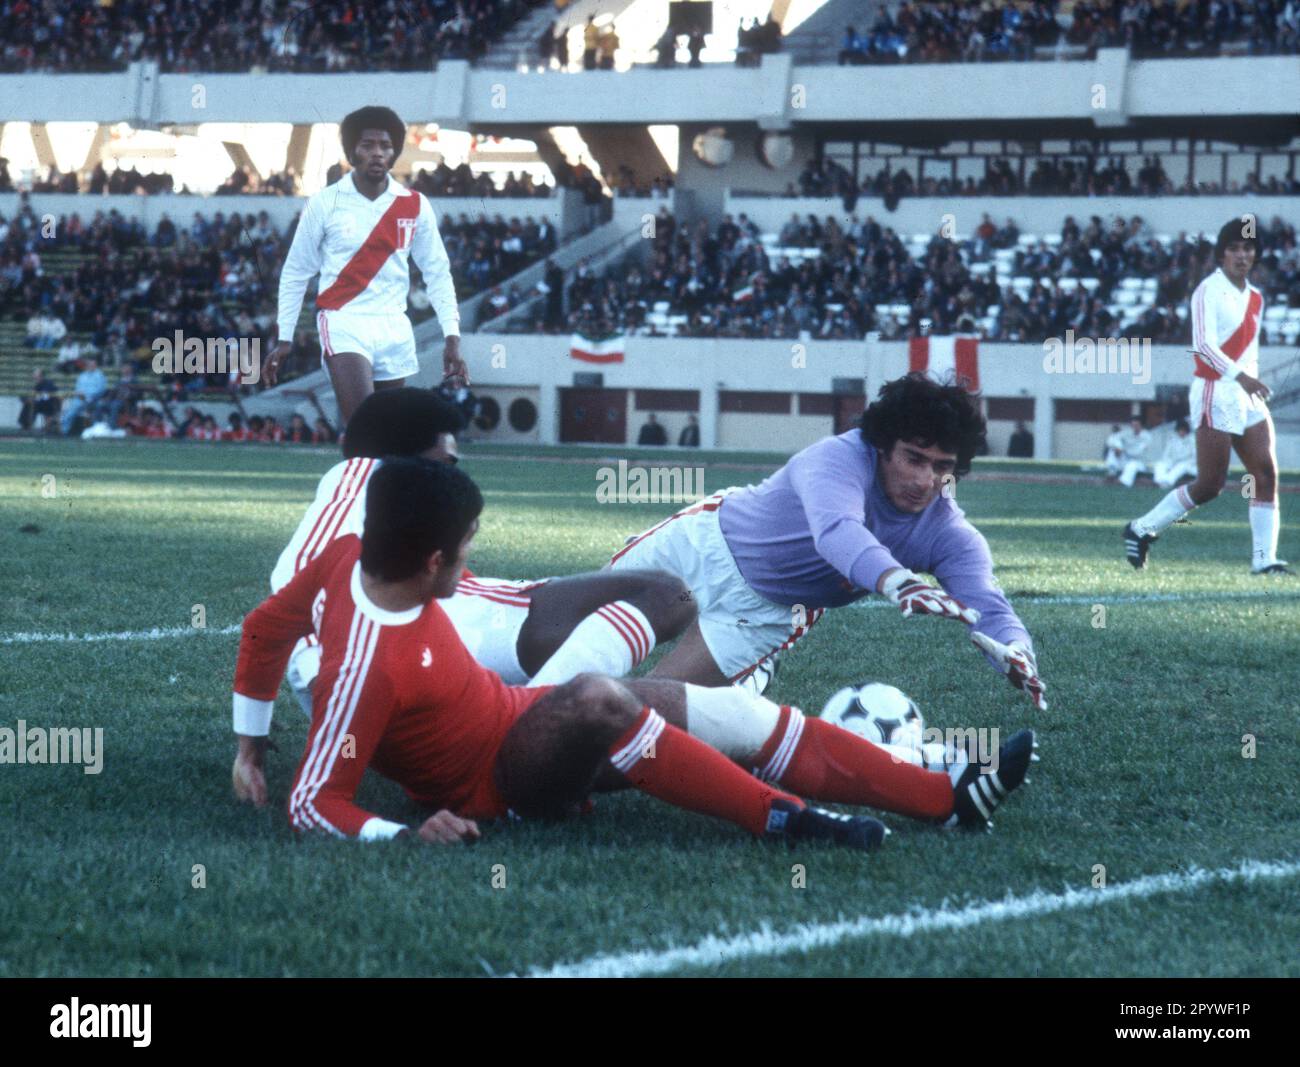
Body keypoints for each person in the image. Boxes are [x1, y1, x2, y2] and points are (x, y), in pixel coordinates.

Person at [231, 457, 1036, 841]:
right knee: (598, 697)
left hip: (515, 716)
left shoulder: (347, 557)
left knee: (732, 712)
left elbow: (264, 629)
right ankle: (792, 821)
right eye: (466, 545)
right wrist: (405, 835)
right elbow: (314, 803)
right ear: (433, 559)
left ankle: (946, 798)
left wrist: (249, 749)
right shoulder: (363, 668)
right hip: (494, 780)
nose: (472, 557)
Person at [608, 373, 1047, 709]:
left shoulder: (948, 533)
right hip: (702, 547)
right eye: (914, 458)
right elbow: (836, 531)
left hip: (763, 616)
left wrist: (1015, 650)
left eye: (941, 466)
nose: (924, 480)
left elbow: (987, 604)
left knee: (639, 711)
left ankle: (751, 675)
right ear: (881, 446)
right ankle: (747, 680)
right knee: (574, 640)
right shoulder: (839, 456)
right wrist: (898, 581)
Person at [271, 389, 695, 714]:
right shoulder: (357, 474)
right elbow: (299, 579)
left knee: (659, 618)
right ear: (397, 459)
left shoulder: (384, 513)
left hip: (418, 646)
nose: (454, 476)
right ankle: (534, 723)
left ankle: (531, 718)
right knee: (668, 595)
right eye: (445, 463)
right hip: (406, 645)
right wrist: (322, 665)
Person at [268, 105, 466, 424]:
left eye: (385, 146)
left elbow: (438, 273)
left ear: (394, 153)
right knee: (363, 423)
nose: (377, 153)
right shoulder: (325, 203)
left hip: (394, 325)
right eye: (367, 145)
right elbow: (296, 272)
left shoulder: (415, 205)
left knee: (385, 434)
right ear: (352, 152)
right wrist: (285, 336)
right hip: (343, 320)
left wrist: (452, 337)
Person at [1125, 219, 1290, 574]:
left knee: (1265, 474)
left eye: (1248, 248)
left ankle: (1264, 560)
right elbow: (1203, 346)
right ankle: (1141, 528)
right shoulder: (1207, 290)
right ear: (1221, 253)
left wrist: (1250, 382)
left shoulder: (1257, 297)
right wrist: (1241, 377)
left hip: (1247, 394)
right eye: (1234, 248)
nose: (1242, 255)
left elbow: (1249, 351)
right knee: (1210, 485)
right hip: (1216, 389)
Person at [60, 358, 108, 436]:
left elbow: (101, 390)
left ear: (95, 365)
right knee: (69, 410)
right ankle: (65, 431)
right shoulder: (82, 375)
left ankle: (94, 432)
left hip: (93, 399)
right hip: (80, 399)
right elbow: (78, 388)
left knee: (82, 406)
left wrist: (87, 395)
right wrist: (79, 393)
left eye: (92, 364)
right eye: (89, 364)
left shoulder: (99, 376)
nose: (90, 366)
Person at [1153, 419, 1197, 488]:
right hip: (1173, 462)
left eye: (1183, 430)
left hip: (1188, 464)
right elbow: (1166, 455)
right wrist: (1169, 462)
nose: (1181, 432)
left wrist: (1183, 462)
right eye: (1180, 430)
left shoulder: (1192, 440)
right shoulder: (1173, 440)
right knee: (1160, 464)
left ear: (1186, 431)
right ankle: (1159, 481)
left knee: (1180, 466)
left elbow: (1195, 457)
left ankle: (1168, 482)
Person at [1117, 417, 1154, 487]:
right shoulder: (1127, 433)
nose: (1134, 427)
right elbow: (1115, 439)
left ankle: (1124, 483)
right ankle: (1111, 475)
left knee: (1132, 464)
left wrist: (1124, 449)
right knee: (1113, 453)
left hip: (1141, 462)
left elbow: (1137, 452)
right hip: (1127, 459)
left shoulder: (1147, 437)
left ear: (1141, 426)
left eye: (1136, 425)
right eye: (1132, 425)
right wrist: (1118, 447)